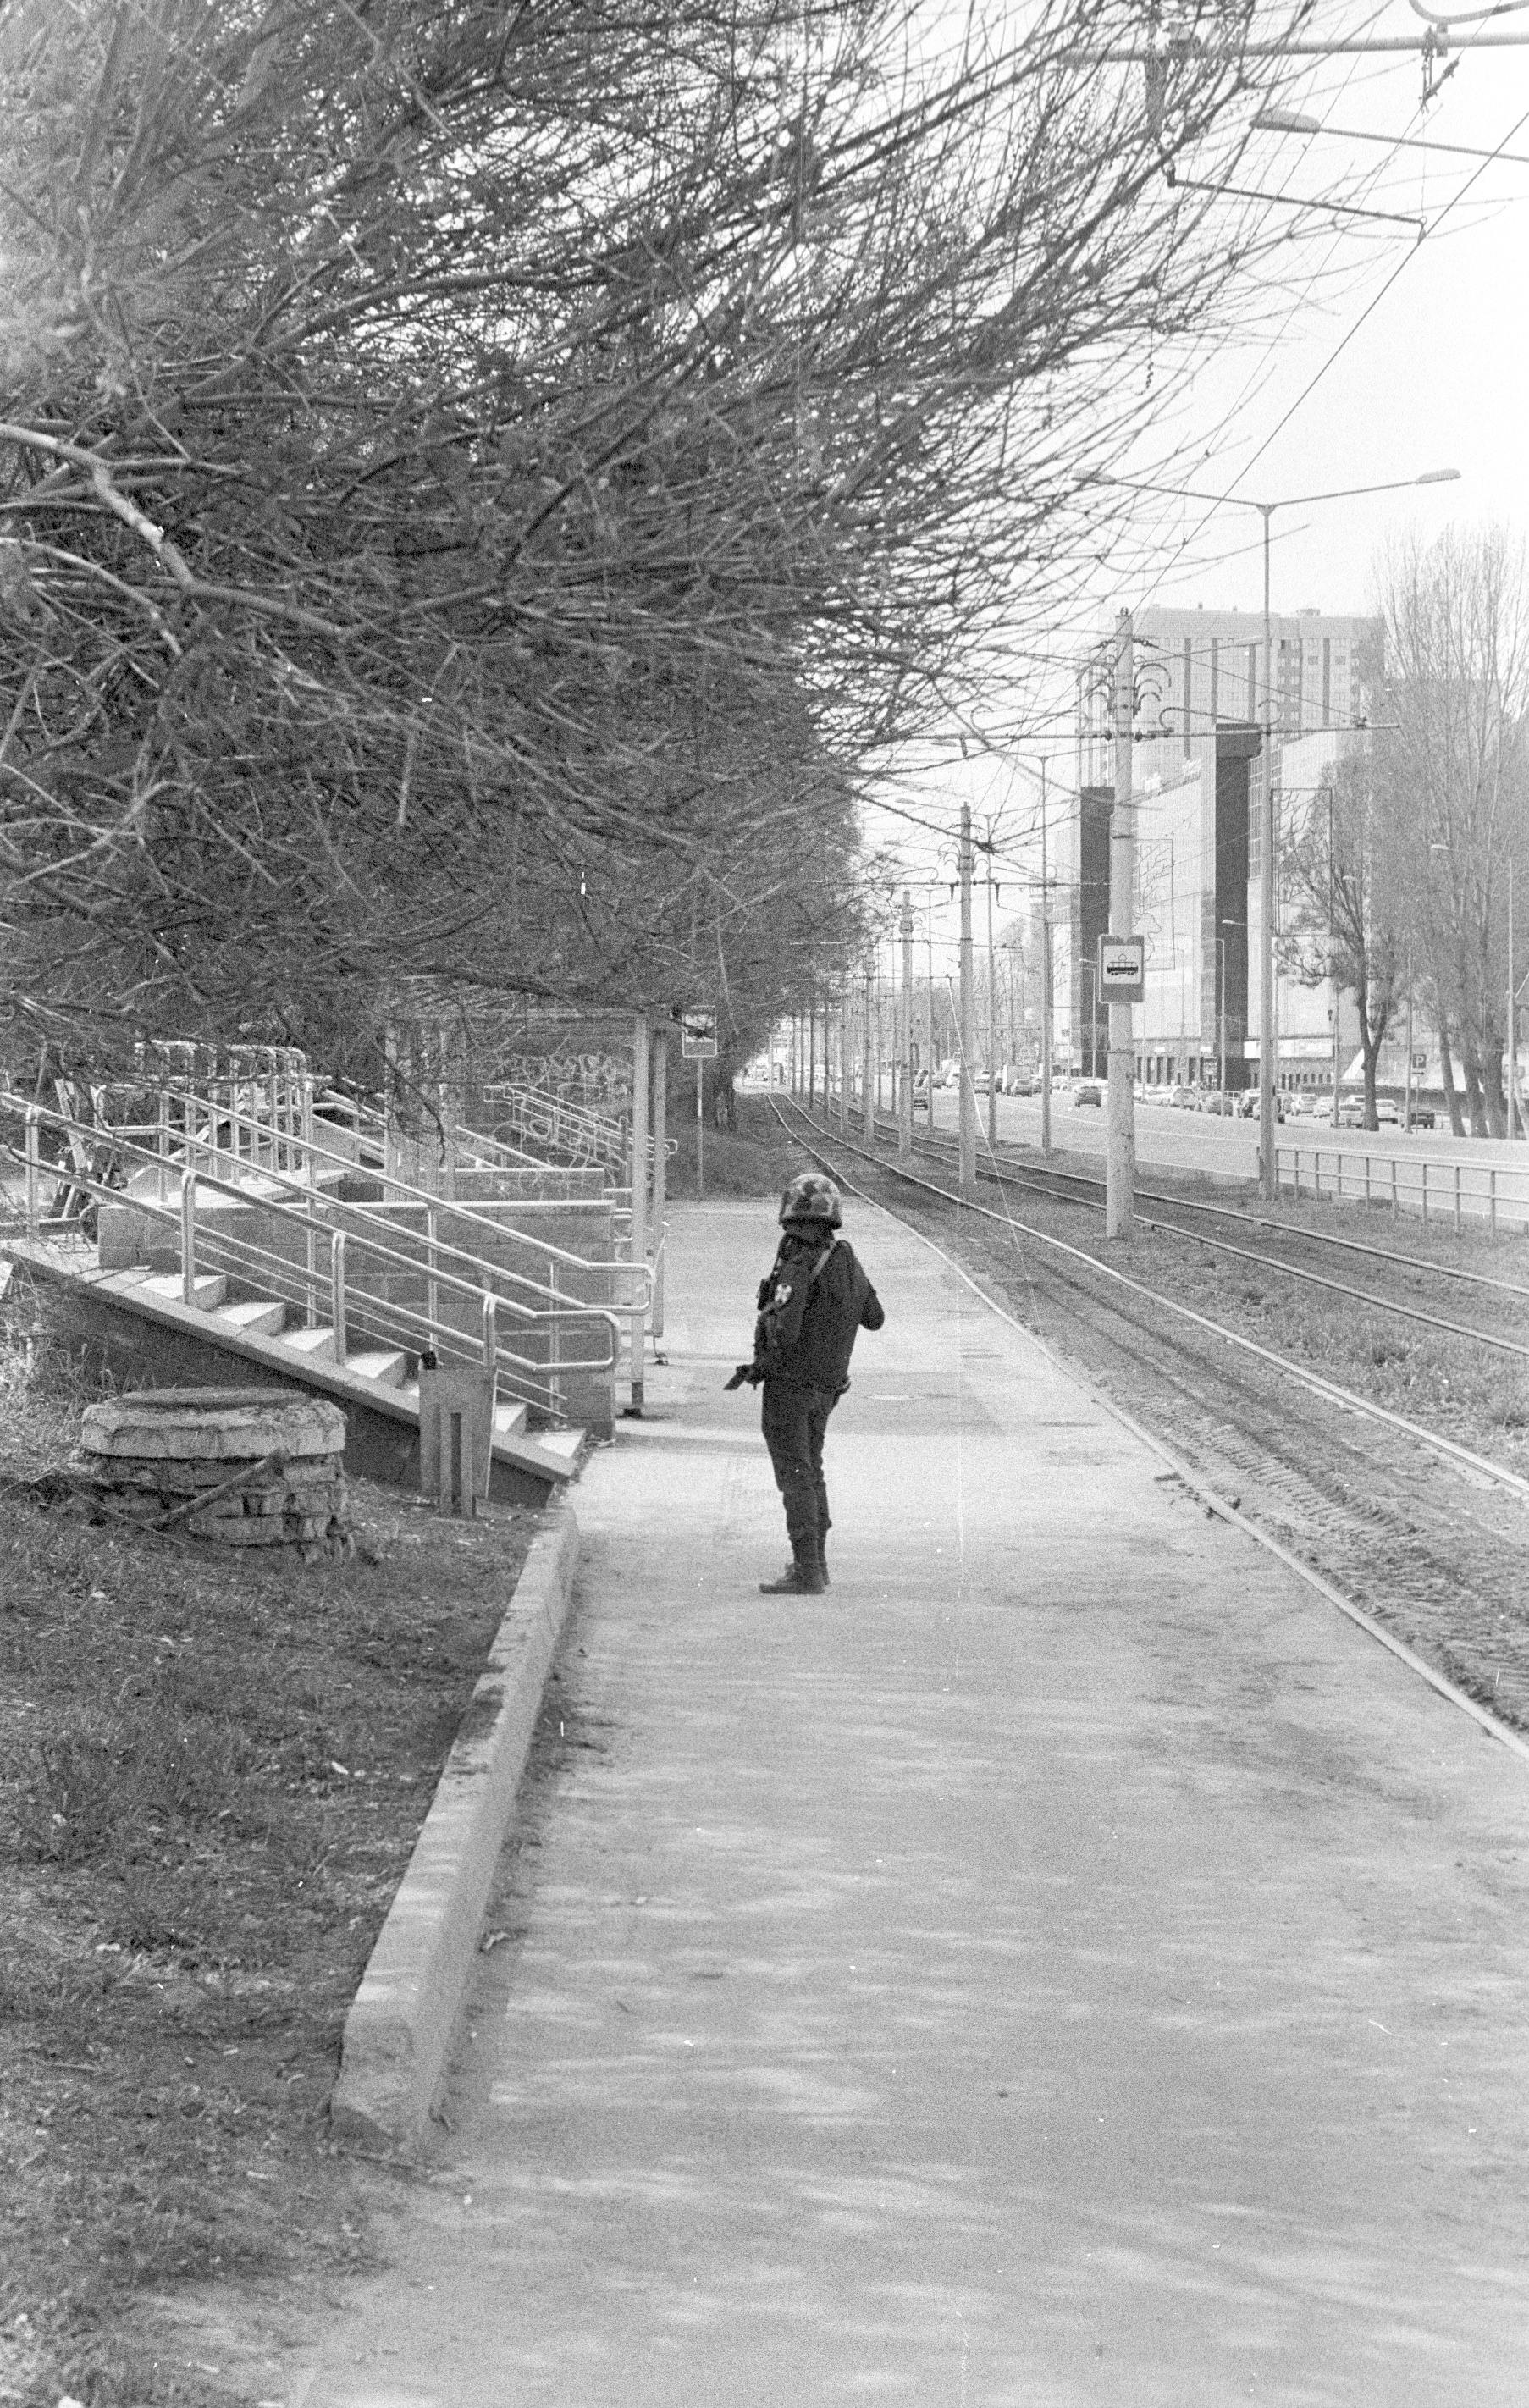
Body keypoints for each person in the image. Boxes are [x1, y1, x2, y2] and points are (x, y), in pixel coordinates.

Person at [724, 1170, 884, 1595]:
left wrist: (762, 1363)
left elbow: (786, 1331)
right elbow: (875, 1319)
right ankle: (819, 1562)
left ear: (788, 1216)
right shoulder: (846, 1259)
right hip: (828, 1388)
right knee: (812, 1470)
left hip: (791, 1387)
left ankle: (807, 1569)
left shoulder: (796, 1262)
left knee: (795, 1475)